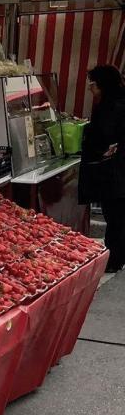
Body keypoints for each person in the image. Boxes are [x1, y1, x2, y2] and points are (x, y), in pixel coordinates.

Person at [80, 65, 125, 272]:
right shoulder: (115, 101)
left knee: (115, 216)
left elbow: (104, 135)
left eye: (93, 83)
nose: (90, 88)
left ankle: (114, 260)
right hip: (116, 170)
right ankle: (116, 257)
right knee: (117, 216)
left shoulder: (112, 106)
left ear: (103, 84)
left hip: (116, 171)